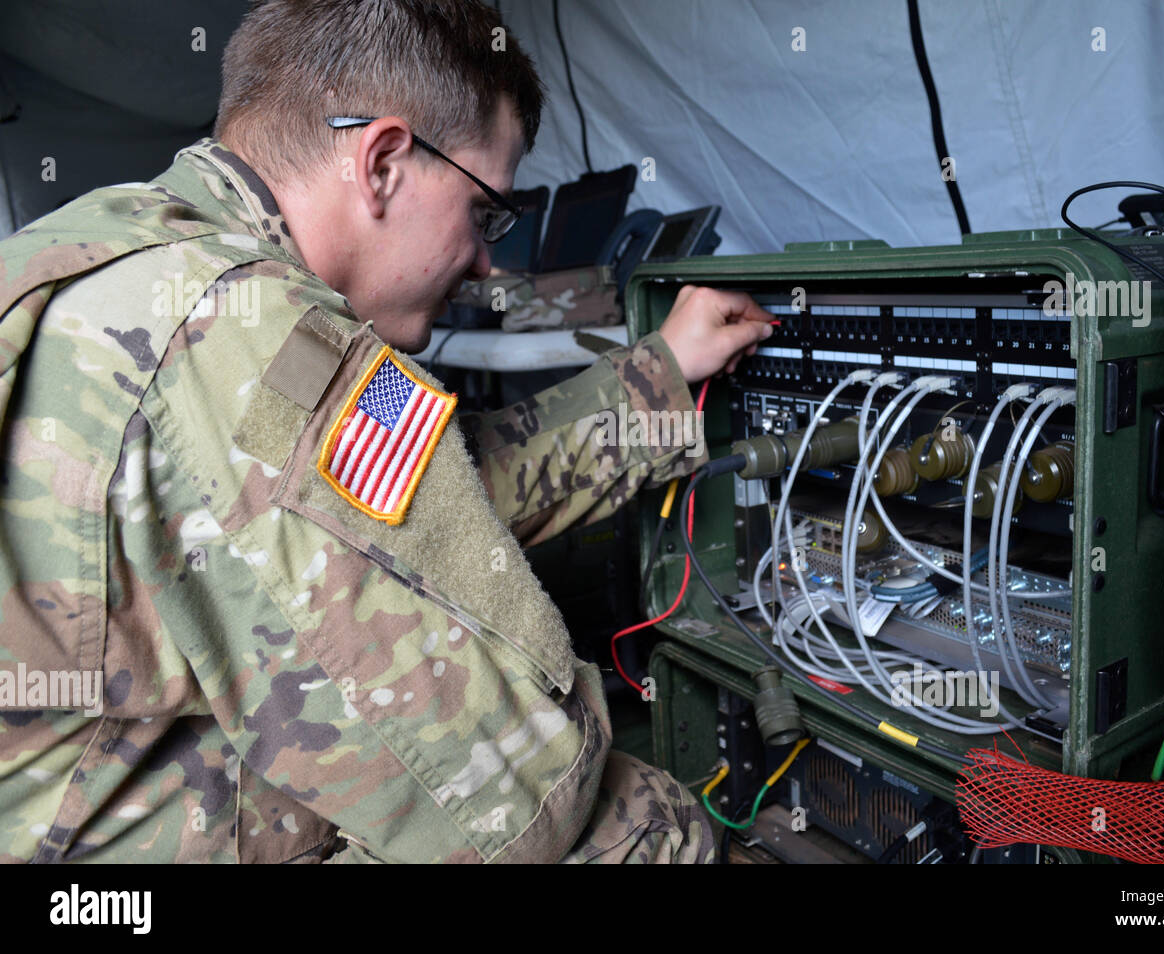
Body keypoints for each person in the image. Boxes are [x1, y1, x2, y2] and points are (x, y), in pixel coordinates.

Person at [0, 0, 772, 863]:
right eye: (486, 213)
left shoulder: (107, 244)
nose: (486, 261)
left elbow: (426, 500)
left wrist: (657, 374)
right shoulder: (248, 330)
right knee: (636, 826)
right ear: (383, 162)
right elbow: (515, 803)